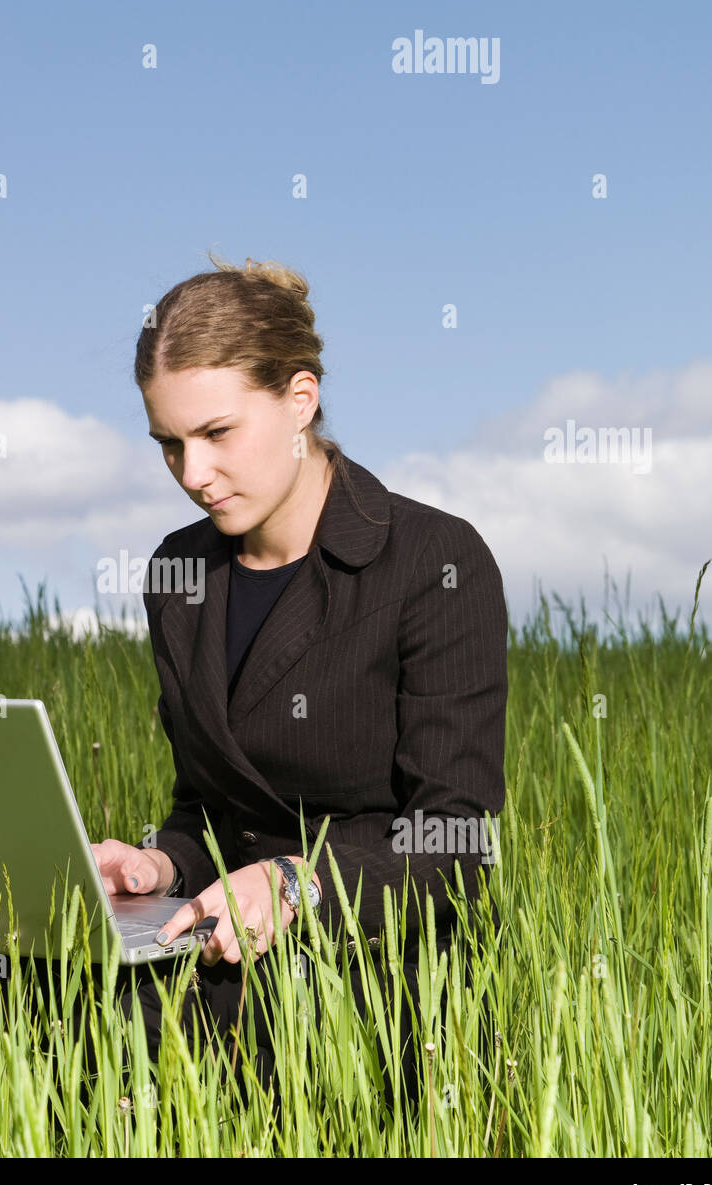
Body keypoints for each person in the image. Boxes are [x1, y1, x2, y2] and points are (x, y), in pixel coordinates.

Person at [86, 251, 509, 1114]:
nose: (192, 473)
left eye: (215, 434)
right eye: (169, 443)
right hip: (220, 945)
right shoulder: (178, 573)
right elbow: (211, 804)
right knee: (15, 988)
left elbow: (456, 838)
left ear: (300, 400)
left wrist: (298, 882)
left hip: (379, 963)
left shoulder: (434, 561)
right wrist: (160, 864)